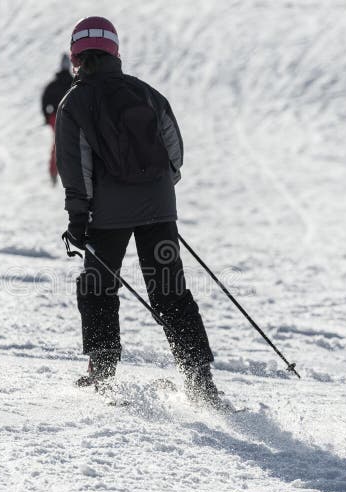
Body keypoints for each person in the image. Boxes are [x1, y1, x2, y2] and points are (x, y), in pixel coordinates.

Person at [55, 16, 221, 406]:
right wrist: (157, 196)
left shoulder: (73, 102)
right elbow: (174, 152)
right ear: (115, 51)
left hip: (106, 217)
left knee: (98, 287)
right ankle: (200, 381)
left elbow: (74, 167)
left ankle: (103, 371)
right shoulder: (147, 93)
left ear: (76, 56)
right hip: (158, 210)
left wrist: (79, 217)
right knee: (169, 291)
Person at [41, 54, 74, 185]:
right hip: (69, 118)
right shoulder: (74, 83)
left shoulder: (53, 84)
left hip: (55, 117)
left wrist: (46, 116)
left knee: (58, 144)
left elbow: (45, 99)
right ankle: (68, 173)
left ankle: (55, 171)